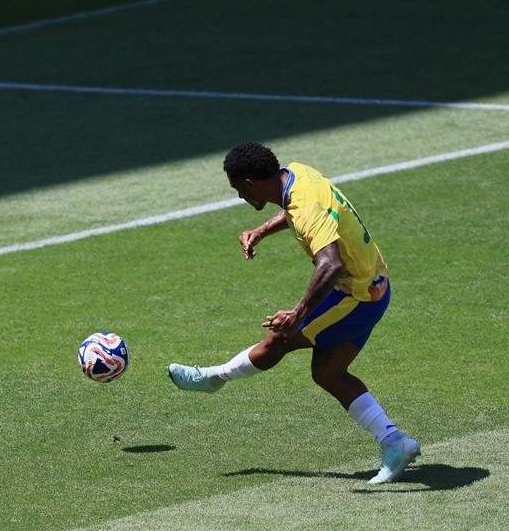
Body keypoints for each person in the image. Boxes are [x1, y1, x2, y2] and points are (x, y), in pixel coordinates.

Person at [167, 141, 420, 484]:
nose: (239, 196)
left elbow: (330, 263)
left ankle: (213, 378)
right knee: (328, 372)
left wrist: (298, 313)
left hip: (356, 296)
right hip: (375, 286)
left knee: (280, 338)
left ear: (251, 182)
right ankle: (395, 442)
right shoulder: (298, 174)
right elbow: (299, 213)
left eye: (238, 188)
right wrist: (261, 231)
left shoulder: (304, 208)